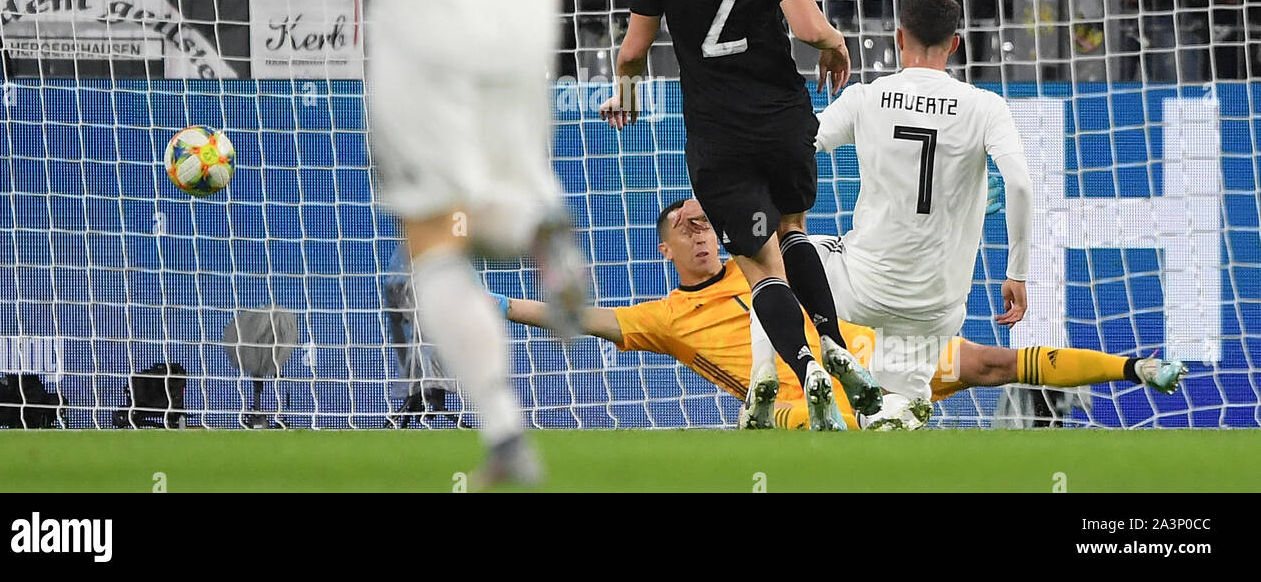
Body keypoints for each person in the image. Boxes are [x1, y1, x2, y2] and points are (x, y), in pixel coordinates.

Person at [262, 0, 621, 487]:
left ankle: (503, 434)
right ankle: (537, 226)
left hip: (423, 7)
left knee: (435, 237)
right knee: (499, 193)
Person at [601, 0, 879, 432]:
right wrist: (836, 45)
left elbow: (631, 52)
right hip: (782, 119)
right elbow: (807, 29)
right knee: (793, 230)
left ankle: (805, 364)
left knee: (758, 266)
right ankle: (833, 345)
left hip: (717, 135)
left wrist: (625, 94)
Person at [489, 200, 1186, 430]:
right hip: (797, 402)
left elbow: (823, 248)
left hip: (862, 353)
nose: (703, 233)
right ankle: (878, 415)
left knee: (989, 363)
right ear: (666, 245)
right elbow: (585, 319)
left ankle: (1137, 366)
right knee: (818, 422)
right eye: (688, 228)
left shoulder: (759, 262)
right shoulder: (666, 318)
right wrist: (496, 306)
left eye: (707, 222)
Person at [805, 0, 1037, 428]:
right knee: (903, 405)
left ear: (898, 37)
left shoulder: (866, 97)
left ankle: (803, 366)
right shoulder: (985, 107)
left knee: (776, 267)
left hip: (861, 286)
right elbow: (1020, 184)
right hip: (936, 300)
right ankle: (902, 415)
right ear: (954, 44)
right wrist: (1017, 272)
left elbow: (799, 147)